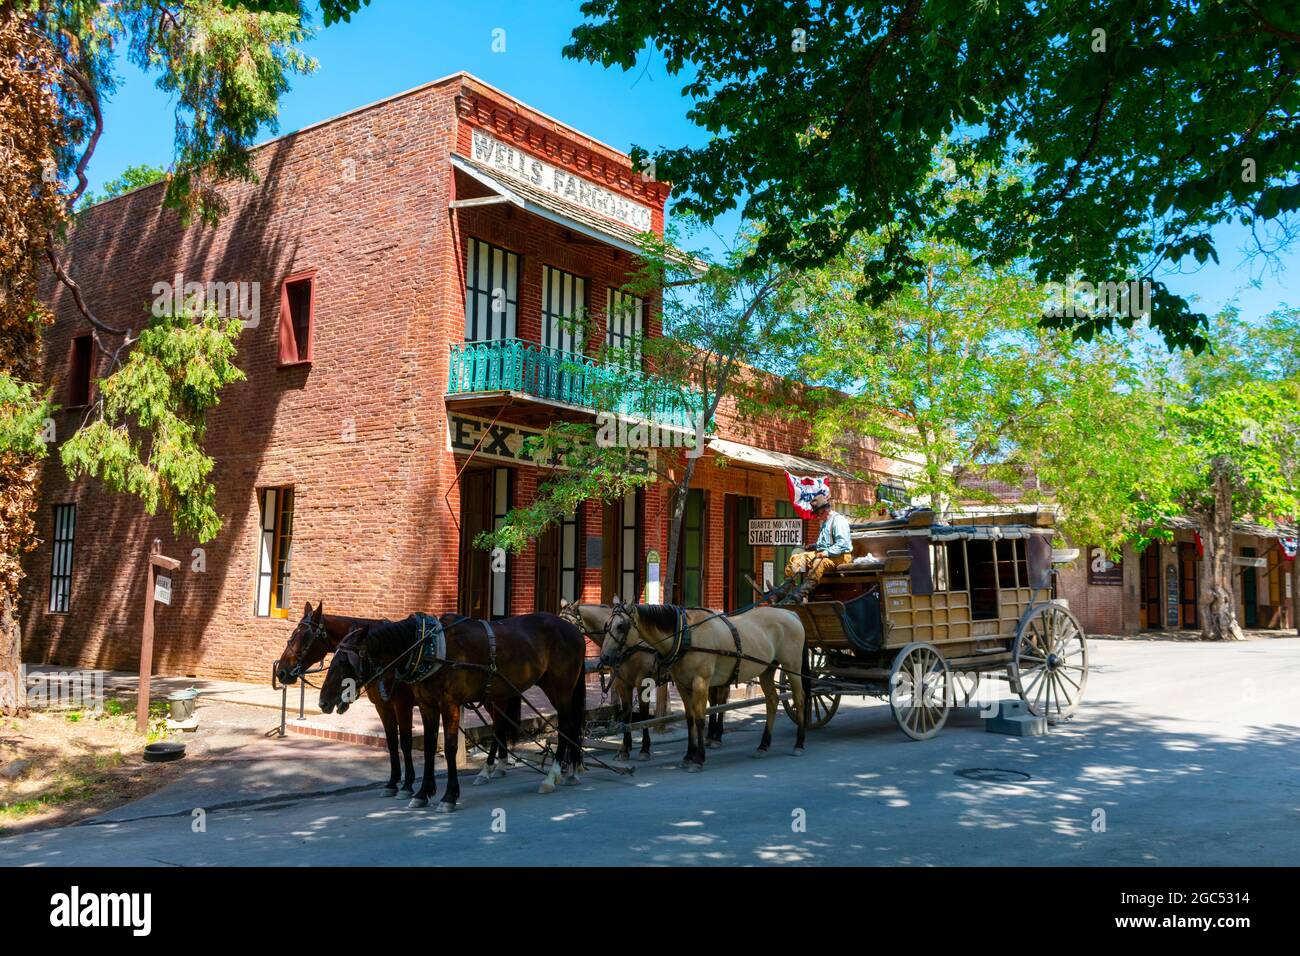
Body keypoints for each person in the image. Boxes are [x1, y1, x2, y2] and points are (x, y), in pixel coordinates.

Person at [778, 493, 853, 602]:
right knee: (797, 559)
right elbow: (826, 542)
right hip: (824, 553)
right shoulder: (825, 522)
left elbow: (843, 544)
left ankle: (802, 593)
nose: (817, 516)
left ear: (825, 510)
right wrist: (813, 546)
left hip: (841, 556)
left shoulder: (838, 521)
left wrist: (826, 553)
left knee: (819, 562)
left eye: (817, 513)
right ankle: (783, 590)